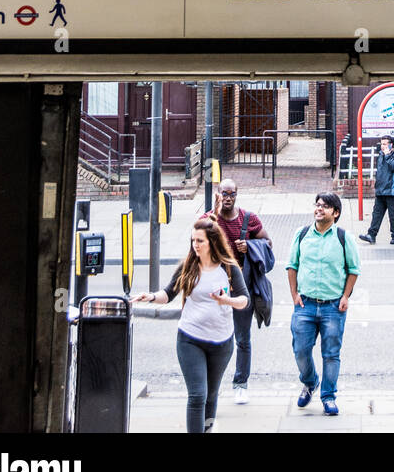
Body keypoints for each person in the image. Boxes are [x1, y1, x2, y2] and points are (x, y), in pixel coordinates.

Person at [134, 217, 248, 433]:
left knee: (211, 396)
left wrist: (228, 301)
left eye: (200, 241)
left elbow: (244, 300)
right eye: (193, 240)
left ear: (212, 242)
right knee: (197, 395)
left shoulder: (229, 267)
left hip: (221, 342)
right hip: (190, 338)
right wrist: (149, 296)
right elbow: (168, 294)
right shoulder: (189, 266)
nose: (195, 245)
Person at [286, 192, 360, 416]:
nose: (319, 209)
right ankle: (310, 382)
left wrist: (346, 296)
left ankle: (328, 396)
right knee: (300, 350)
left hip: (332, 307)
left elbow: (353, 270)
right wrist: (294, 294)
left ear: (335, 213)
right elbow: (292, 265)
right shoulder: (302, 234)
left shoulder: (343, 237)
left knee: (331, 354)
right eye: (317, 205)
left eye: (325, 206)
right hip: (305, 305)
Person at [207, 178, 272, 404]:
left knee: (243, 339)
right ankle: (210, 385)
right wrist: (213, 213)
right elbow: (195, 238)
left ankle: (241, 384)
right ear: (217, 194)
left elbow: (268, 243)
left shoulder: (248, 219)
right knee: (214, 339)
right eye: (223, 193)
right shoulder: (210, 218)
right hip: (214, 289)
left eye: (231, 193)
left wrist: (250, 244)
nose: (227, 198)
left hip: (241, 289)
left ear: (237, 194)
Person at [358, 135, 394, 245]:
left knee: (393, 215)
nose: (383, 146)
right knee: (377, 213)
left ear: (391, 145)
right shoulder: (381, 155)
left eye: (385, 144)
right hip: (381, 189)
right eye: (381, 144)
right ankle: (371, 235)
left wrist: (388, 155)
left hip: (392, 190)